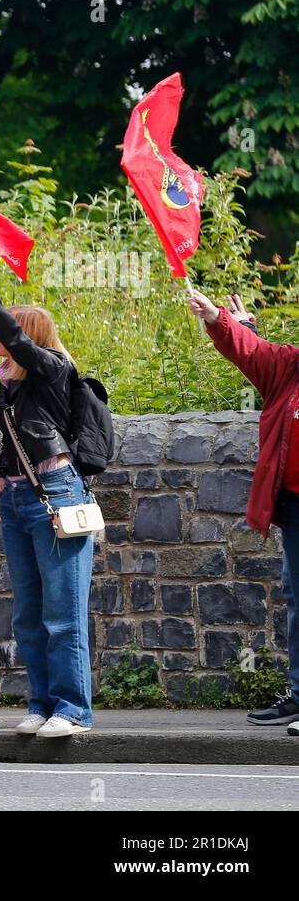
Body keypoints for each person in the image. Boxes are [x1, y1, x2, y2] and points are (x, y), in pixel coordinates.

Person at [0, 276, 95, 738]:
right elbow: (12, 439)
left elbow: (17, 342)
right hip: (19, 498)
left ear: (28, 334)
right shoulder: (11, 387)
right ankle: (41, 704)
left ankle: (73, 709)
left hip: (56, 492)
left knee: (63, 611)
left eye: (8, 332)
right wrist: (0, 476)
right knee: (29, 613)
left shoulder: (54, 369)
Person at [188, 289, 299, 729]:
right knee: (297, 599)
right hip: (294, 507)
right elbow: (252, 352)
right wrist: (220, 319)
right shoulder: (289, 365)